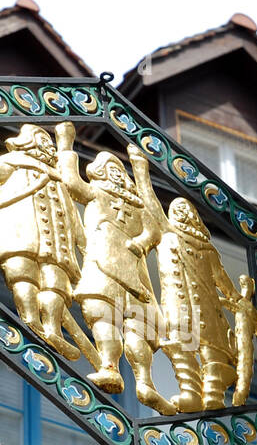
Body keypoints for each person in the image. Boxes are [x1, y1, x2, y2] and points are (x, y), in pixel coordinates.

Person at [54, 122, 175, 415]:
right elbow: (70, 181)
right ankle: (110, 367)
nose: (116, 175)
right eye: (109, 170)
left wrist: (142, 242)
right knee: (103, 316)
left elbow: (156, 230)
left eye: (119, 172)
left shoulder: (136, 205)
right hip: (103, 266)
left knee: (137, 328)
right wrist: (65, 143)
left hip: (134, 277)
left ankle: (145, 382)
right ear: (97, 173)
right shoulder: (95, 192)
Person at [0, 122, 94, 364]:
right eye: (41, 140)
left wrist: (84, 246)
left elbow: (74, 217)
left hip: (57, 241)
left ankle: (53, 330)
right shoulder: (14, 162)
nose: (47, 146)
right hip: (21, 230)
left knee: (56, 285)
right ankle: (32, 321)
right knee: (22, 274)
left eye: (49, 142)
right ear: (26, 142)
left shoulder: (58, 176)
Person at [156, 198, 257, 411]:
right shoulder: (166, 235)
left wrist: (237, 299)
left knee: (213, 352)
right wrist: (141, 169)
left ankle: (214, 395)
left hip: (207, 309)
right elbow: (152, 206)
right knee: (182, 349)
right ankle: (190, 395)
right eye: (177, 210)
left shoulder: (207, 250)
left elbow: (221, 279)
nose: (183, 214)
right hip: (179, 305)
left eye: (186, 209)